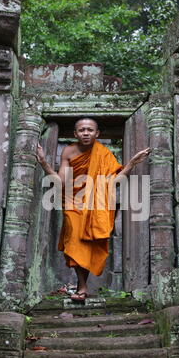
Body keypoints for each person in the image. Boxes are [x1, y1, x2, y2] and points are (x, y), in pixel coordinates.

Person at [36, 118, 150, 301]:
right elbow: (60, 182)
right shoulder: (68, 151)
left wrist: (132, 163)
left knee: (88, 244)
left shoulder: (103, 153)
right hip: (73, 201)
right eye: (82, 130)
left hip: (96, 202)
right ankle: (82, 286)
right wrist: (43, 163)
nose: (86, 133)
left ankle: (82, 288)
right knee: (73, 242)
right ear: (75, 134)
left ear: (97, 134)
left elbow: (115, 182)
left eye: (90, 130)